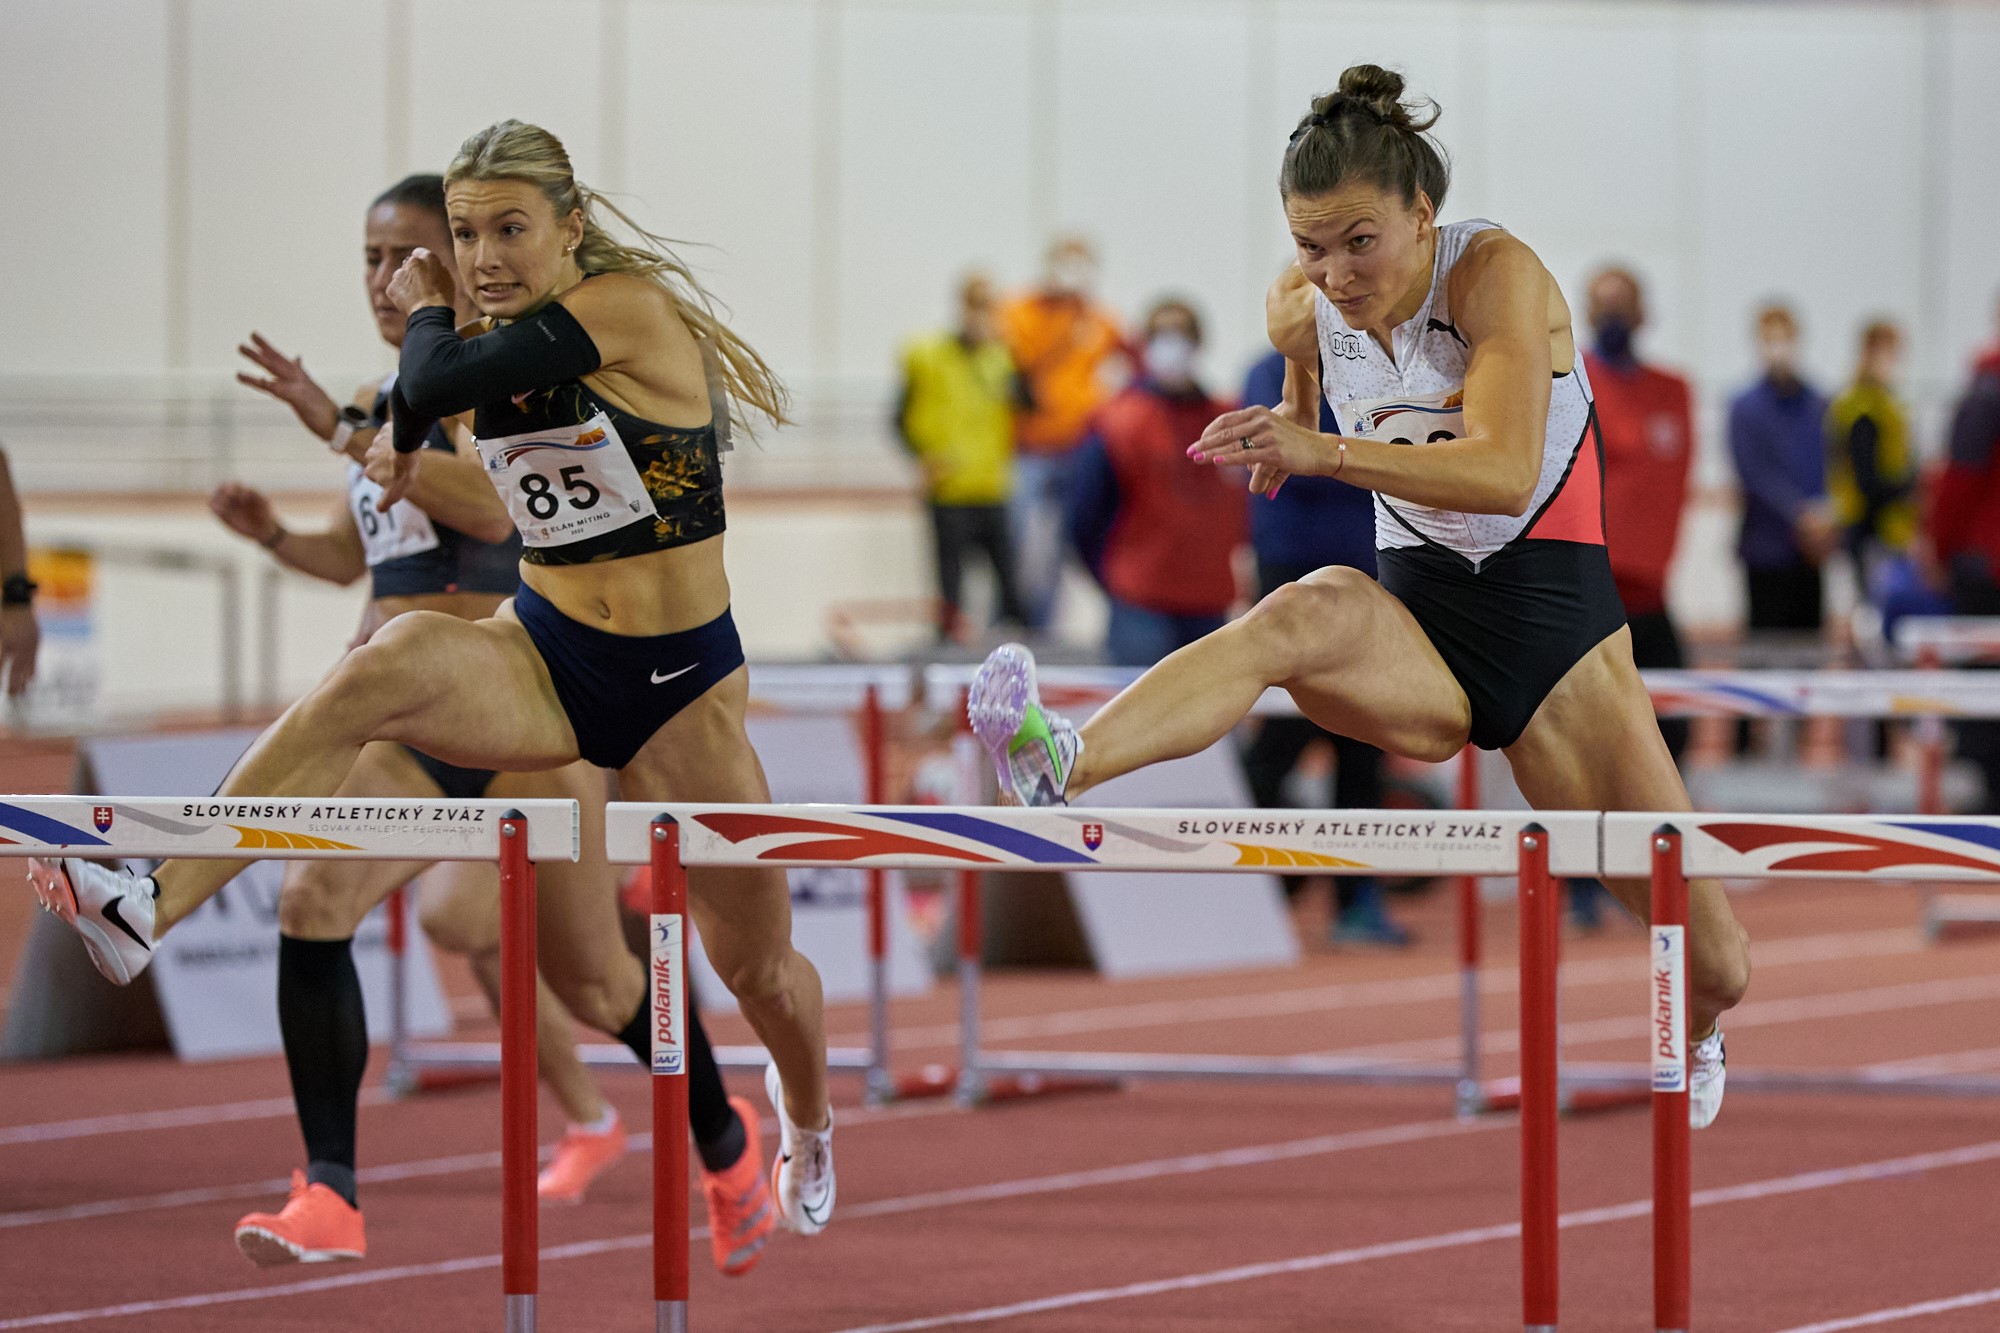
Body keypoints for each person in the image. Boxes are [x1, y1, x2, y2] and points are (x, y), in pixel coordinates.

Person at [27, 121, 835, 1236]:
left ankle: (802, 1115)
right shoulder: (475, 348)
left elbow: (439, 377)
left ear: (571, 226)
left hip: (678, 687)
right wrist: (370, 431)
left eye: (508, 229)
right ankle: (149, 900)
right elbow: (409, 413)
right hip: (548, 653)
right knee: (379, 665)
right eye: (466, 234)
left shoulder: (618, 311)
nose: (486, 254)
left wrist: (418, 346)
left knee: (759, 970)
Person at [968, 65, 1748, 1128]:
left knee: (1714, 957)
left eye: (1358, 242)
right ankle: (1061, 762)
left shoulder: (1494, 277)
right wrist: (1291, 422)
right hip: (1416, 616)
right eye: (1309, 246)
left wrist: (1318, 447)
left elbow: (1503, 470)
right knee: (1299, 610)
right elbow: (1303, 355)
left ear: (1420, 217)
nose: (1333, 273)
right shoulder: (1300, 298)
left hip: (1554, 633)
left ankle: (1696, 1021)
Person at [200, 174, 773, 1276]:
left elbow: (496, 506)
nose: (386, 281)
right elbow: (361, 548)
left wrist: (363, 434)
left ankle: (718, 1135)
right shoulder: (395, 395)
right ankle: (329, 1187)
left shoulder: (523, 381)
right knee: (321, 896)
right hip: (411, 710)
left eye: (407, 259)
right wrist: (280, 529)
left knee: (599, 981)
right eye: (369, 259)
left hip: (517, 709)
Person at [1237, 344, 1406, 947]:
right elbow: (1274, 468)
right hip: (1292, 578)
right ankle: (1254, 888)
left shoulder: (1388, 370)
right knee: (1279, 739)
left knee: (1363, 743)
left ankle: (1356, 899)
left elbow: (1398, 463)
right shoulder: (1267, 373)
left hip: (1372, 575)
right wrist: (1352, 461)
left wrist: (1337, 459)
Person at [1572, 264, 1696, 928]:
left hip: (1649, 592)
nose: (1614, 313)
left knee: (1674, 725)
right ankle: (1583, 878)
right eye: (1603, 304)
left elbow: (1666, 484)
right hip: (1589, 590)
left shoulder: (1674, 391)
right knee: (1587, 738)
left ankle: (1654, 856)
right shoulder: (1569, 385)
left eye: (1624, 303)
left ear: (1644, 311)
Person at [1067, 297, 1245, 667]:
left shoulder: (1229, 420)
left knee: (1206, 719)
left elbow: (1246, 504)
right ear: (1144, 345)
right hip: (1140, 604)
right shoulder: (1117, 422)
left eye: (1181, 336)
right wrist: (1115, 580)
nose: (1172, 348)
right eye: (1162, 336)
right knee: (1136, 719)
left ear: (1198, 344)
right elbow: (1082, 517)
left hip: (1210, 602)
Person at [1000, 236, 1127, 630]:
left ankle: (1045, 625)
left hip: (1078, 446)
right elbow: (1017, 362)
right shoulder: (1020, 311)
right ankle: (1010, 614)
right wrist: (1063, 320)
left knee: (1063, 543)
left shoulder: (1099, 318)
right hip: (1030, 447)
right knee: (1017, 538)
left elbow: (1132, 354)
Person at [896, 273, 1028, 640]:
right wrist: (921, 456)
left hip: (991, 484)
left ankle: (1014, 640)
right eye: (977, 306)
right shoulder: (927, 356)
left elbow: (1032, 402)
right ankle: (948, 639)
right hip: (947, 483)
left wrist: (1012, 348)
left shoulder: (1000, 359)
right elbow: (898, 416)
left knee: (1008, 576)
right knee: (950, 577)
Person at [1727, 304, 1834, 638]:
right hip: (1765, 551)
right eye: (1770, 339)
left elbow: (1831, 465)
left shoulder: (1819, 403)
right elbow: (1754, 473)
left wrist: (1825, 517)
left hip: (1811, 553)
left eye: (1784, 339)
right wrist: (1800, 515)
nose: (1778, 348)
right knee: (1766, 647)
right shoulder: (1744, 408)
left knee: (1810, 643)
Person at [1930, 301, 2000, 811]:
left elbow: (1961, 479)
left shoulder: (1986, 391)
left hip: (1985, 560)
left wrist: (1938, 545)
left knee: (1981, 688)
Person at [1827, 319, 1918, 580]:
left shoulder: (1888, 402)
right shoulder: (1862, 408)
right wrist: (1909, 486)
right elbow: (1867, 479)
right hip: (1871, 524)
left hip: (1890, 524)